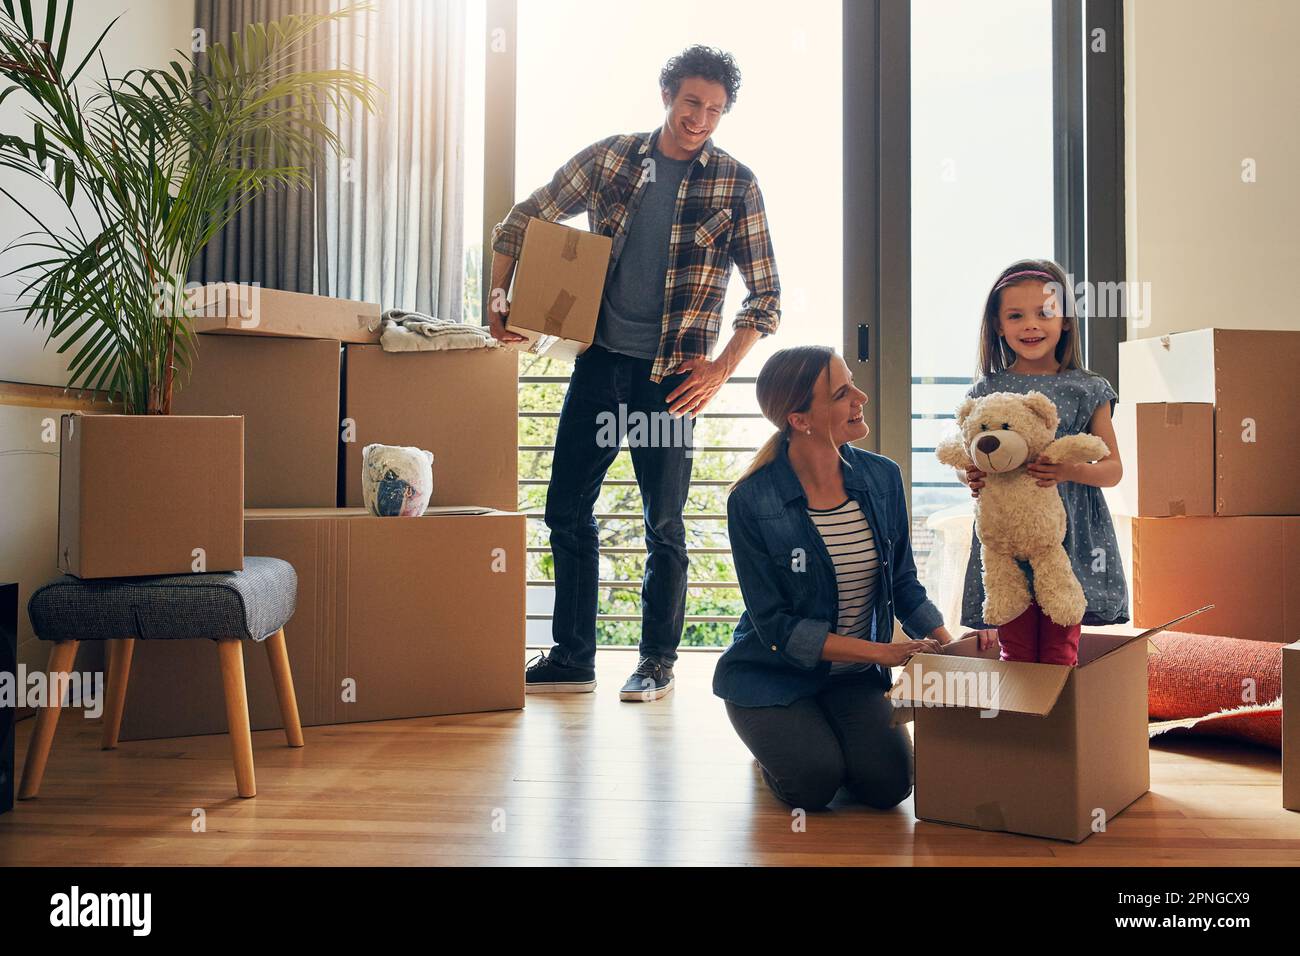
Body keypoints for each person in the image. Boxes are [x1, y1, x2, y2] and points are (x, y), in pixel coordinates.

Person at [487, 45, 781, 701]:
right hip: (600, 366)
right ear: (668, 96)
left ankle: (656, 662)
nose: (700, 118)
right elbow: (520, 220)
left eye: (714, 109)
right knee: (566, 510)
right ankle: (572, 658)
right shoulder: (613, 158)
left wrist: (717, 370)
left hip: (670, 381)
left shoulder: (736, 184)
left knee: (665, 526)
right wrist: (500, 301)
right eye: (690, 102)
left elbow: (766, 300)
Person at [713, 346, 981, 812]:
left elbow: (903, 584)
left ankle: (822, 731)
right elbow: (776, 626)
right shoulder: (752, 502)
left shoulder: (881, 479)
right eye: (841, 393)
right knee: (813, 785)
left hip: (852, 678)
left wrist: (948, 646)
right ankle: (776, 747)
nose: (861, 396)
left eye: (852, 382)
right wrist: (885, 653)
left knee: (889, 785)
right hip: (770, 676)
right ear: (800, 420)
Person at [955, 258, 1129, 666]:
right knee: (1013, 648)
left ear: (1066, 320)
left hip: (1070, 536)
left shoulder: (1088, 388)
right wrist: (971, 476)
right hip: (1007, 535)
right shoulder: (987, 389)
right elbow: (972, 458)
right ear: (999, 326)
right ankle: (1021, 727)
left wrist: (1070, 471)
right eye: (1016, 316)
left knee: (1059, 648)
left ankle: (1057, 728)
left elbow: (1114, 469)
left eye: (1045, 313)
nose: (1031, 325)